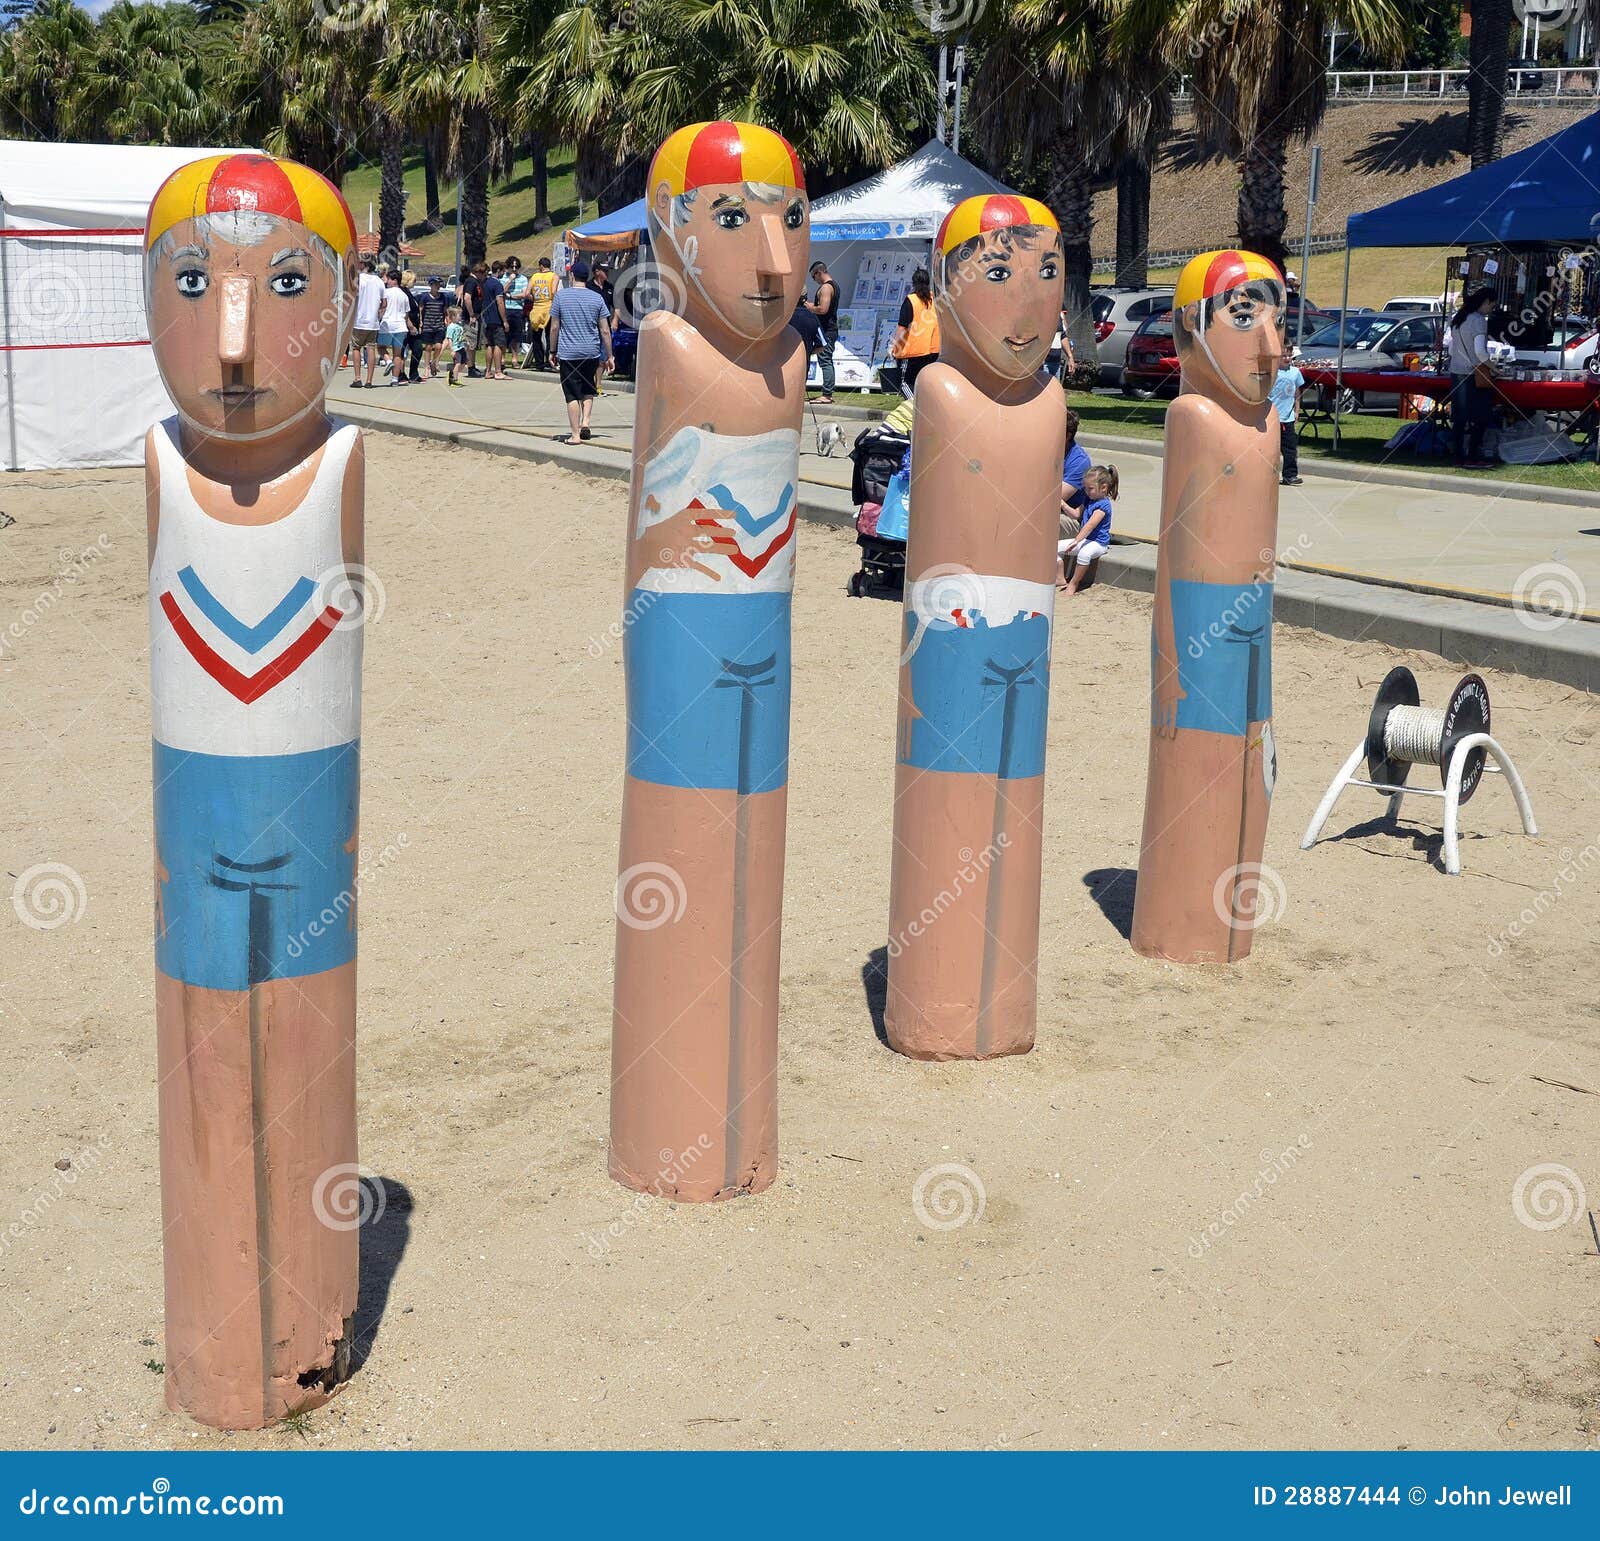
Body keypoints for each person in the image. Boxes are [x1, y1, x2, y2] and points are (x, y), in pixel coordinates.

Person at [549, 258, 613, 442]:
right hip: (591, 351)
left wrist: (552, 351)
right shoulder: (597, 298)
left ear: (572, 276)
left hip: (569, 352)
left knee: (571, 394)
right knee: (588, 389)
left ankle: (575, 434)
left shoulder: (561, 297)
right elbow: (605, 330)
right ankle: (586, 422)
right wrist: (610, 355)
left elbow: (554, 327)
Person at [1448, 286, 1497, 469]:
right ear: (1485, 303)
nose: (1491, 309)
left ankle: (1458, 456)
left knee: (1459, 417)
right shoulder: (1478, 320)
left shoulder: (1458, 319)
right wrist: (1496, 368)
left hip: (1456, 371)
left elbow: (1452, 349)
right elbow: (1481, 353)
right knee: (1481, 417)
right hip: (1473, 373)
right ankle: (1473, 455)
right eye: (1492, 306)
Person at [1059, 464, 1116, 593]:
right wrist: (1062, 504)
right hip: (1085, 540)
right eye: (1085, 488)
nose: (1086, 491)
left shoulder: (1103, 505)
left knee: (1085, 554)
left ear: (1103, 488)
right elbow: (1075, 514)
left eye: (1090, 488)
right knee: (1055, 548)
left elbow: (1090, 526)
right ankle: (1060, 578)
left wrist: (1076, 541)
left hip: (1098, 543)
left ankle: (1074, 583)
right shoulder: (1088, 499)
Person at [889, 266, 940, 396]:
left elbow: (902, 327)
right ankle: (923, 409)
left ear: (913, 283)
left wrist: (893, 346)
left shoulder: (911, 300)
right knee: (924, 383)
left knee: (904, 383)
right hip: (932, 350)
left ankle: (913, 409)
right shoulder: (935, 300)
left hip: (911, 351)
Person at [804, 259, 839, 402]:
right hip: (829, 330)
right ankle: (827, 392)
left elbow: (823, 309)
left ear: (819, 272)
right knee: (825, 360)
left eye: (813, 276)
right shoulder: (834, 286)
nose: (814, 280)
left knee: (825, 361)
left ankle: (827, 394)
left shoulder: (825, 288)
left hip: (827, 331)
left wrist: (809, 308)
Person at [351, 254, 384, 387]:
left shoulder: (358, 279)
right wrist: (378, 313)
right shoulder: (379, 281)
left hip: (358, 320)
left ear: (363, 264)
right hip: (372, 322)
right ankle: (369, 380)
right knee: (371, 348)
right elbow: (384, 302)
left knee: (356, 348)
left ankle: (357, 377)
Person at [1271, 355, 1305, 484]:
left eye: (1289, 355)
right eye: (1283, 355)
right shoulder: (1272, 372)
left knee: (1290, 448)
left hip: (1287, 417)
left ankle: (1290, 475)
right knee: (1270, 449)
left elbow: (1297, 394)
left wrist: (1297, 411)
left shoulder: (1295, 372)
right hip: (1271, 417)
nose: (1287, 358)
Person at [474, 259, 508, 379]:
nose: (504, 273)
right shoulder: (497, 284)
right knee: (498, 344)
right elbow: (500, 303)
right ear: (498, 271)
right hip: (496, 318)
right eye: (503, 271)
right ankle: (498, 371)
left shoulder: (485, 283)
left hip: (486, 318)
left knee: (489, 345)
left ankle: (488, 371)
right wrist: (504, 320)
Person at [377, 269, 412, 385]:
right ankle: (395, 379)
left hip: (387, 324)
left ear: (394, 280)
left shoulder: (386, 293)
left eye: (388, 279)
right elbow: (406, 314)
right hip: (400, 326)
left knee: (381, 347)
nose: (386, 282)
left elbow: (382, 307)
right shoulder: (404, 295)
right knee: (398, 354)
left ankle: (387, 361)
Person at [524, 256, 556, 370]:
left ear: (541, 266)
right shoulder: (553, 276)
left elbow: (527, 293)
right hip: (549, 307)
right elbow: (553, 292)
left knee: (536, 337)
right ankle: (550, 361)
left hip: (537, 308)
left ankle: (539, 363)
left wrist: (535, 299)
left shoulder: (534, 276)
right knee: (549, 336)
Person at [417, 273, 449, 378]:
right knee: (428, 347)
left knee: (439, 346)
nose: (438, 286)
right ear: (431, 285)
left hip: (439, 324)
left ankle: (434, 362)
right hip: (428, 324)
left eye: (439, 284)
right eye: (435, 284)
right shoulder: (425, 297)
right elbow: (421, 309)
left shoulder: (443, 297)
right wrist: (420, 322)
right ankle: (426, 367)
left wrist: (446, 319)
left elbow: (445, 310)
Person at [503, 254, 530, 364]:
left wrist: (512, 296)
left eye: (516, 267)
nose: (514, 269)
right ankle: (502, 357)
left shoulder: (523, 279)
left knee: (516, 335)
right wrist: (509, 281)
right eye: (512, 267)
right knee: (504, 335)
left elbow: (524, 294)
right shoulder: (503, 277)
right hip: (505, 308)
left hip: (518, 309)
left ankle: (515, 358)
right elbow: (501, 292)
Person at [400, 268, 424, 382]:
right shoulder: (402, 292)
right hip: (407, 327)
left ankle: (414, 374)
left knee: (418, 349)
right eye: (413, 280)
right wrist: (410, 325)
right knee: (402, 351)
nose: (415, 282)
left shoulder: (408, 292)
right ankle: (400, 374)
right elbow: (405, 311)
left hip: (414, 326)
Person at [443, 305, 468, 387]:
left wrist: (465, 342)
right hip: (456, 348)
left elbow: (461, 335)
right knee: (457, 363)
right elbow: (449, 339)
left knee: (464, 363)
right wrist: (452, 350)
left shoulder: (459, 325)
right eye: (459, 315)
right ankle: (454, 380)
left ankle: (453, 373)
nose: (461, 317)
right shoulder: (451, 327)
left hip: (461, 347)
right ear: (453, 316)